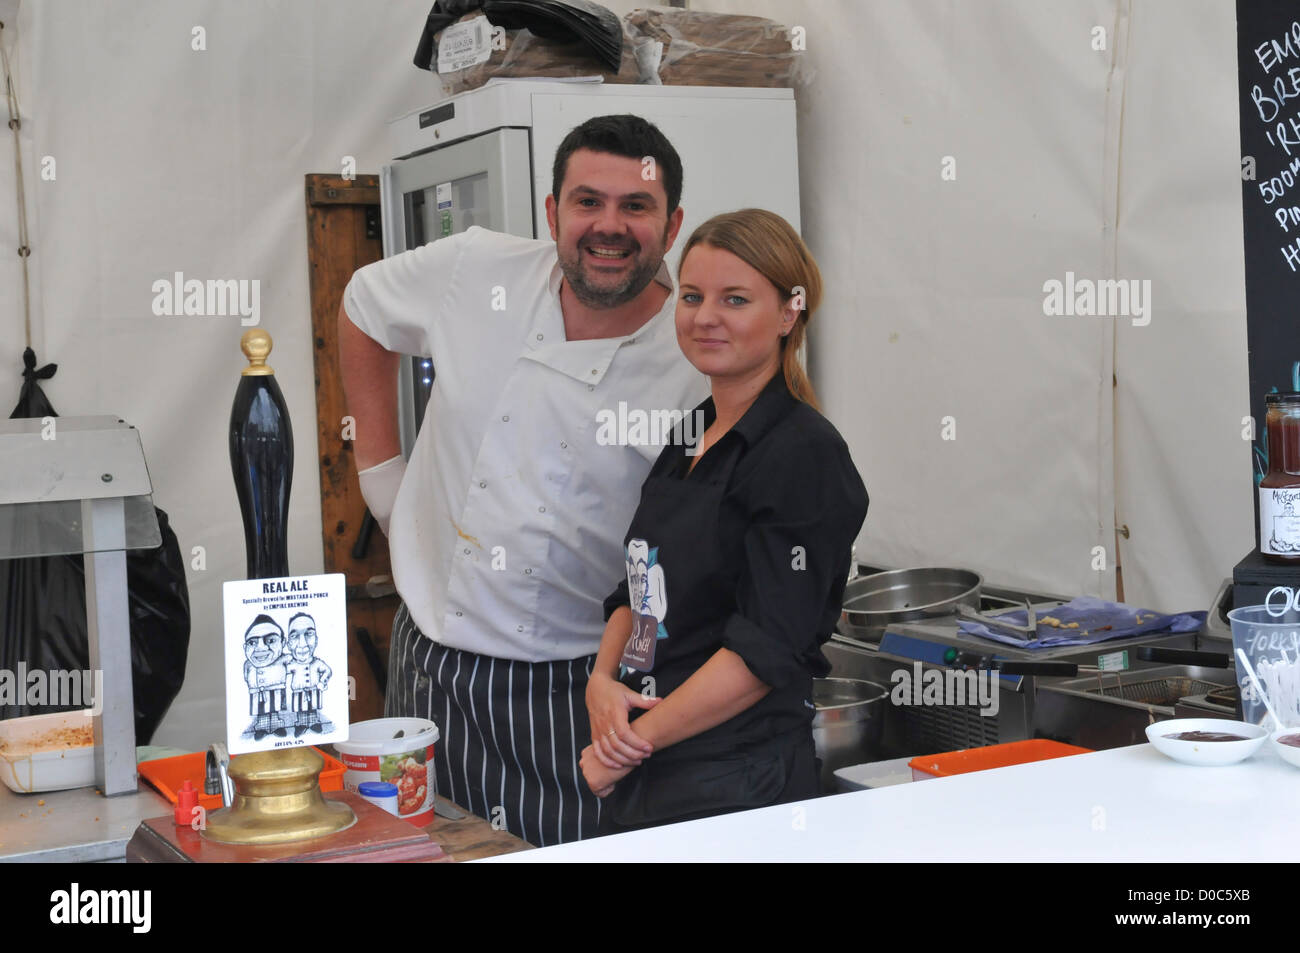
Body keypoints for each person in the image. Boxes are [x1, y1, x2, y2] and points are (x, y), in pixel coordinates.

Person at [338, 115, 708, 847]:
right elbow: (360, 306)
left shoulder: (695, 357)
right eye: (587, 202)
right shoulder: (475, 270)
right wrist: (382, 479)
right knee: (420, 850)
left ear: (672, 227)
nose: (609, 226)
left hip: (577, 686)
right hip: (432, 666)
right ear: (551, 214)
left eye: (635, 207)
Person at [580, 208, 868, 832]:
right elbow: (637, 587)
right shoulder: (691, 434)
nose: (704, 316)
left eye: (734, 299)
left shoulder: (803, 454)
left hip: (733, 781)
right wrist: (601, 681)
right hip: (649, 762)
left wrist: (625, 745)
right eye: (692, 296)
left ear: (789, 313)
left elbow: (764, 651)